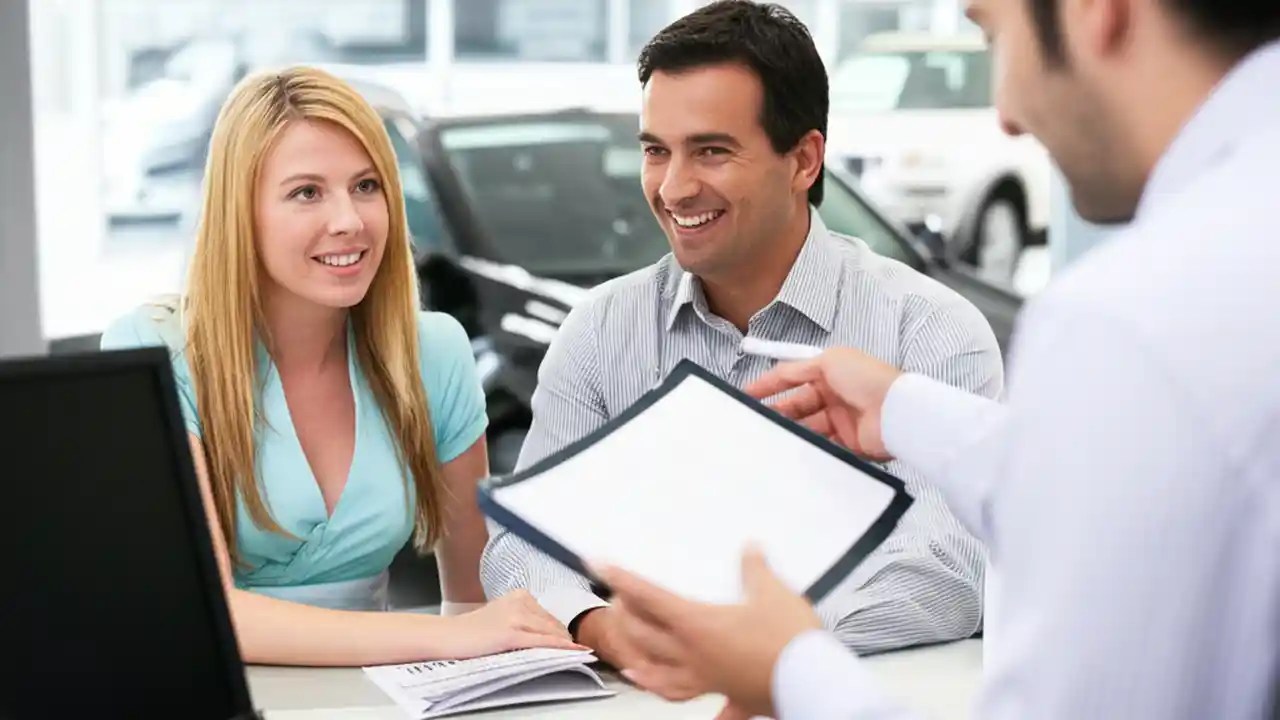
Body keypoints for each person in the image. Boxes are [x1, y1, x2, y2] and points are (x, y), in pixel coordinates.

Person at [597, 0, 1280, 717]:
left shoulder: (1128, 322)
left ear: (1094, 11)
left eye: (995, 37)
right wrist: (909, 410)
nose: (1008, 115)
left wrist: (789, 669)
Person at [480, 0, 1004, 672]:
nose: (674, 188)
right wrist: (599, 626)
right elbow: (522, 543)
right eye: (656, 151)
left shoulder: (927, 330)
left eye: (711, 152)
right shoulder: (600, 330)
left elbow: (945, 571)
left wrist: (751, 647)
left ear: (804, 160)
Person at [101, 66, 581, 666]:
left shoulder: (434, 352)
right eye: (307, 192)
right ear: (239, 211)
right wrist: (450, 638)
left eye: (366, 186)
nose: (349, 220)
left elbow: (474, 604)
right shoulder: (155, 349)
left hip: (370, 698)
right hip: (201, 692)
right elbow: (204, 611)